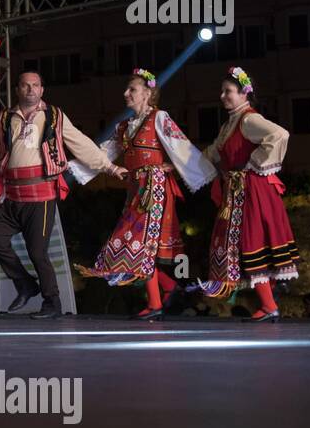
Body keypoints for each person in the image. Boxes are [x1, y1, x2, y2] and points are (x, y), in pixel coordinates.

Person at [0, 71, 128, 319]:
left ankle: (52, 302)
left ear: (42, 90)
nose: (30, 89)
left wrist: (110, 167)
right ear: (17, 89)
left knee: (37, 251)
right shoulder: (6, 117)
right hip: (13, 195)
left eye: (35, 85)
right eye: (25, 85)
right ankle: (25, 284)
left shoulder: (54, 116)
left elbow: (80, 143)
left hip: (41, 194)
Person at [73, 69, 215, 319]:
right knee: (133, 243)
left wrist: (177, 166)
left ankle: (156, 302)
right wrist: (71, 166)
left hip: (154, 188)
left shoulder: (159, 118)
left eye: (132, 90)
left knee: (139, 244)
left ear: (148, 94)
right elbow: (103, 154)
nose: (126, 94)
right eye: (127, 90)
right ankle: (167, 289)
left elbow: (181, 145)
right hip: (135, 189)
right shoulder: (124, 127)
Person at [189, 66, 299, 322]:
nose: (222, 96)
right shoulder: (231, 123)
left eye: (228, 91)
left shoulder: (249, 119)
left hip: (253, 191)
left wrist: (253, 163)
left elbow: (280, 134)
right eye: (222, 91)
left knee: (253, 243)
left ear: (243, 94)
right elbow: (213, 153)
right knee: (249, 244)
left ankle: (270, 306)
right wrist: (181, 164)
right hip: (240, 193)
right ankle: (268, 305)